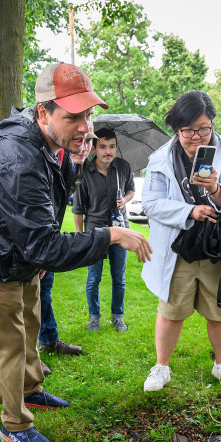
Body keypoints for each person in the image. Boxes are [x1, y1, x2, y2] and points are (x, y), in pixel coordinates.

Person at [0, 62, 151, 442]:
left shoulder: (53, 145)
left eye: (88, 115)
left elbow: (45, 217)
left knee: (30, 323)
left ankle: (33, 389)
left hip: (21, 249)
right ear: (43, 112)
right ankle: (15, 425)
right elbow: (43, 242)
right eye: (74, 116)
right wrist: (109, 234)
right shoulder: (17, 156)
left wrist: (73, 165)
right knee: (8, 339)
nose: (85, 126)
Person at [140, 90, 221, 391]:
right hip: (179, 247)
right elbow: (150, 203)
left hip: (219, 245)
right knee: (171, 310)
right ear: (177, 128)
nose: (196, 136)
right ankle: (161, 367)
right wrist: (190, 210)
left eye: (204, 128)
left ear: (212, 123)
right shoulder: (160, 159)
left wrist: (215, 189)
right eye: (188, 130)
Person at [37, 127, 96, 372]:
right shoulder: (50, 160)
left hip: (46, 236)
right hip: (31, 240)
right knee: (27, 299)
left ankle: (48, 341)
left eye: (89, 142)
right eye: (80, 142)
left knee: (43, 291)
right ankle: (29, 356)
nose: (85, 147)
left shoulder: (72, 166)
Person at [72, 128, 136, 332]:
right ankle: (94, 317)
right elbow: (78, 208)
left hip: (120, 230)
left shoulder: (123, 167)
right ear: (94, 148)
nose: (108, 151)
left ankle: (118, 316)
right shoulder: (85, 172)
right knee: (94, 279)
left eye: (111, 146)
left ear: (116, 147)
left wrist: (124, 200)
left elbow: (131, 190)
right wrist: (80, 236)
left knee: (119, 278)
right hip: (95, 232)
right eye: (102, 147)